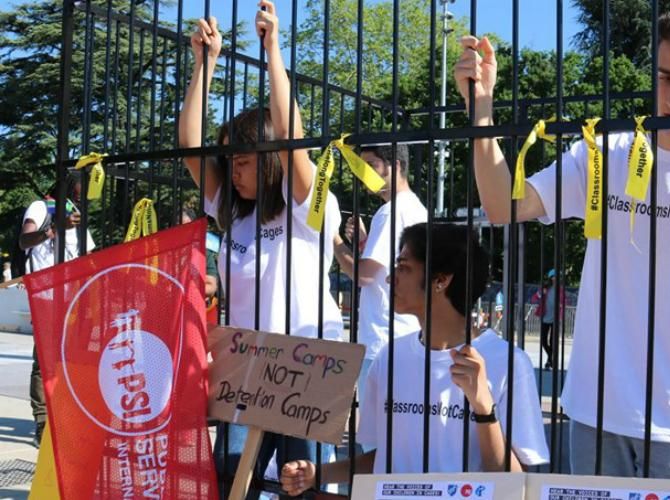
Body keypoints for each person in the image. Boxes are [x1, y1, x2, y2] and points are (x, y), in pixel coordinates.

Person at [453, 8, 670, 477]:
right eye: (664, 77)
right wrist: (481, 107)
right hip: (596, 407)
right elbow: (502, 206)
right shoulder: (607, 151)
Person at [178, 2, 344, 487]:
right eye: (230, 161)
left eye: (246, 161)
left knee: (301, 481)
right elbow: (190, 146)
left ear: (270, 161)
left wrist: (273, 51)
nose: (234, 171)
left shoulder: (307, 208)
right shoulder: (234, 213)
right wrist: (203, 66)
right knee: (232, 480)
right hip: (246, 371)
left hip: (308, 368)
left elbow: (292, 137)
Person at [280, 223, 549, 495]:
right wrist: (317, 473)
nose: (389, 278)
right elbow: (384, 461)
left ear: (441, 280)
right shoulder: (389, 357)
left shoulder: (508, 364)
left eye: (403, 267)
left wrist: (483, 409)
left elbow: (517, 485)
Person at [331, 143, 427, 402]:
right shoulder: (415, 208)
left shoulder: (390, 213)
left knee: (377, 435)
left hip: (383, 340)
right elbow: (391, 268)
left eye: (371, 166)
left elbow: (363, 276)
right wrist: (364, 243)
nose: (364, 174)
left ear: (394, 166)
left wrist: (334, 240)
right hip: (405, 336)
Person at [20, 172, 96, 446]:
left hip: (74, 300)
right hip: (46, 298)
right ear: (66, 185)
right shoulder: (42, 208)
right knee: (44, 363)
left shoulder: (76, 216)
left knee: (71, 362)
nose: (81, 195)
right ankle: (42, 422)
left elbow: (87, 257)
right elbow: (24, 241)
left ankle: (64, 416)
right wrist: (54, 229)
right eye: (78, 189)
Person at [530, 268, 564, 370]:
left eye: (557, 277)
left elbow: (565, 301)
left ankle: (549, 362)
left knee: (553, 341)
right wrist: (541, 294)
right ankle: (552, 359)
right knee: (543, 341)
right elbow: (534, 299)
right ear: (550, 278)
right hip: (545, 317)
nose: (555, 279)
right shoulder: (545, 288)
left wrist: (562, 304)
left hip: (555, 318)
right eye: (553, 277)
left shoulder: (561, 290)